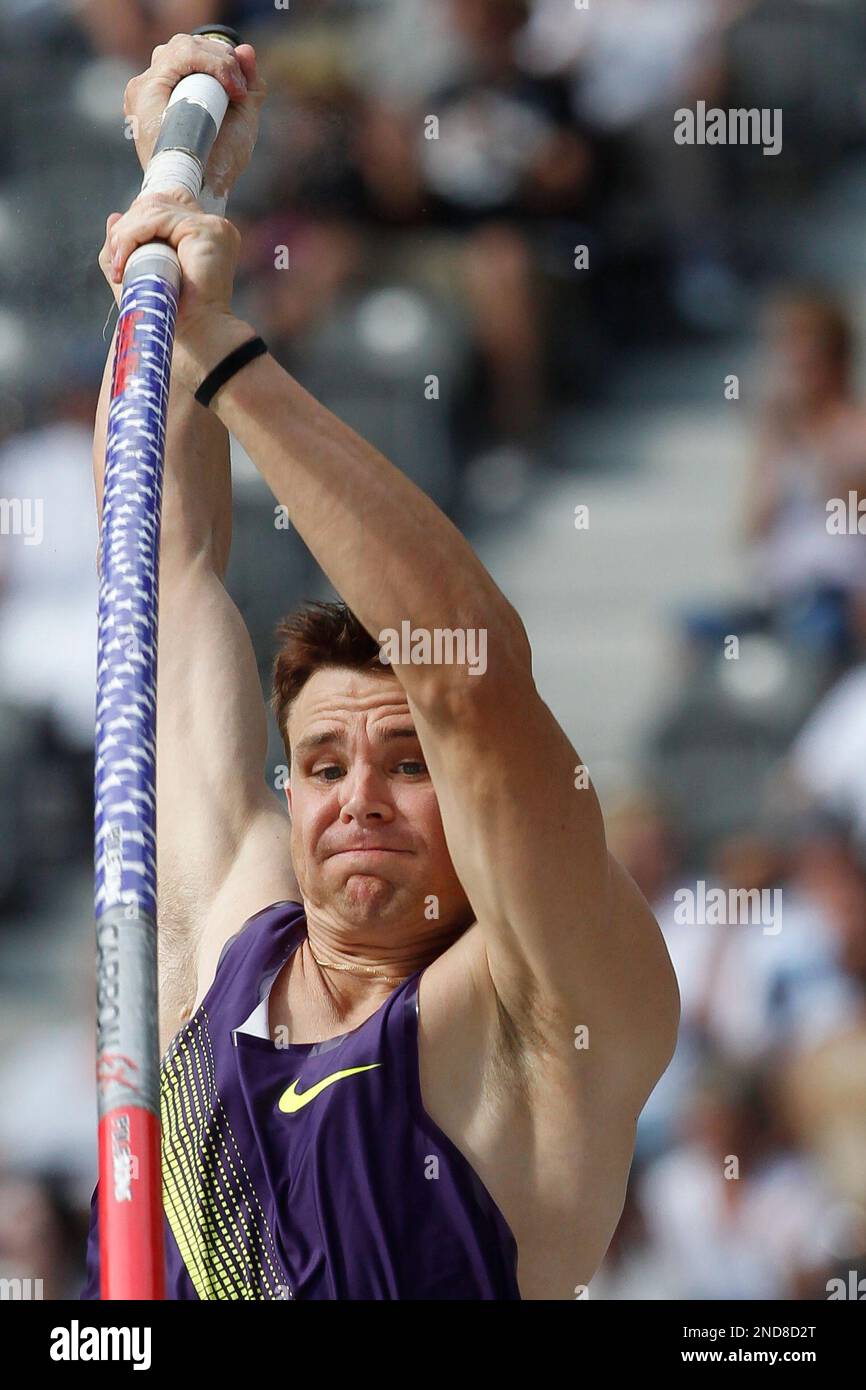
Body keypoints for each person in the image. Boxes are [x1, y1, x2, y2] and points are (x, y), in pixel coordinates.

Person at [81, 34, 679, 1300]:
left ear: (469, 804)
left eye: (406, 765)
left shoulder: (543, 1014)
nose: (357, 797)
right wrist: (171, 223)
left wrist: (235, 355)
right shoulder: (226, 935)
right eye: (324, 762)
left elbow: (470, 677)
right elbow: (167, 568)